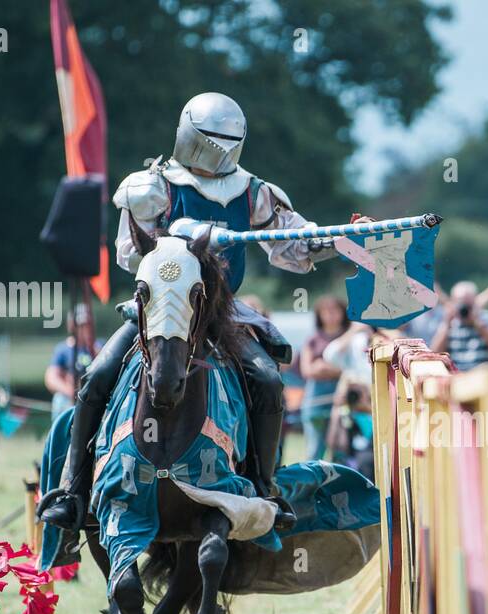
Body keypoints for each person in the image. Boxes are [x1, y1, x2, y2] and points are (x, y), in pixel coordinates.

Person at [38, 92, 363, 533]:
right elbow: (130, 254)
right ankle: (73, 491)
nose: (220, 150)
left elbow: (293, 246)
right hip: (161, 308)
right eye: (211, 139)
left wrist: (344, 239)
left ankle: (265, 490)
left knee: (268, 379)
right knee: (98, 374)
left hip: (223, 313)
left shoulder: (254, 192)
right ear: (190, 135)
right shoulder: (153, 185)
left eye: (229, 141)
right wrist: (179, 238)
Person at [299, 296, 349, 461]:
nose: (330, 315)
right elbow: (307, 370)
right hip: (315, 403)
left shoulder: (350, 339)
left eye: (334, 310)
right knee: (314, 451)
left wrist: (325, 367)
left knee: (341, 451)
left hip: (344, 401)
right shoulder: (312, 340)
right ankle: (313, 487)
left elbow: (353, 370)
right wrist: (337, 370)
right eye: (325, 311)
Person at [44, 304, 103, 418]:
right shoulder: (63, 349)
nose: (85, 328)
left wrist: (96, 350)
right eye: (81, 325)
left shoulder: (100, 347)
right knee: (59, 400)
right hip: (68, 399)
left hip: (94, 397)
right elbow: (51, 378)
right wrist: (70, 391)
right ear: (72, 326)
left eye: (87, 325)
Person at [430, 281, 488, 370]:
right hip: (458, 377)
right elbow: (435, 352)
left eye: (468, 306)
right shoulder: (449, 323)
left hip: (482, 375)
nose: (464, 310)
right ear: (454, 303)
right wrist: (447, 324)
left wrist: (477, 323)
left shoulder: (487, 318)